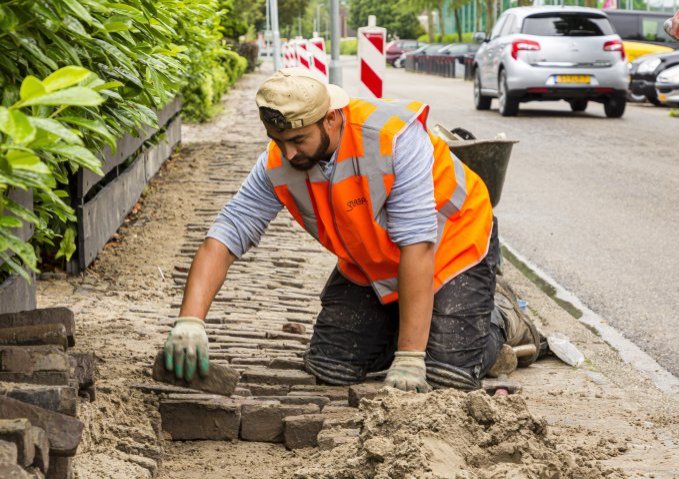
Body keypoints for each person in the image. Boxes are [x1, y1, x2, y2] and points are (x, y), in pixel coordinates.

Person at [164, 68, 539, 392]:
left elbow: (417, 244)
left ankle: (502, 316)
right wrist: (190, 321)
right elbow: (228, 233)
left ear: (330, 118)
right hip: (376, 263)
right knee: (331, 367)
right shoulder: (278, 163)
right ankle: (415, 321)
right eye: (278, 141)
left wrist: (410, 357)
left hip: (451, 246)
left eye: (298, 140)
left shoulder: (393, 138)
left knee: (447, 374)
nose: (288, 154)